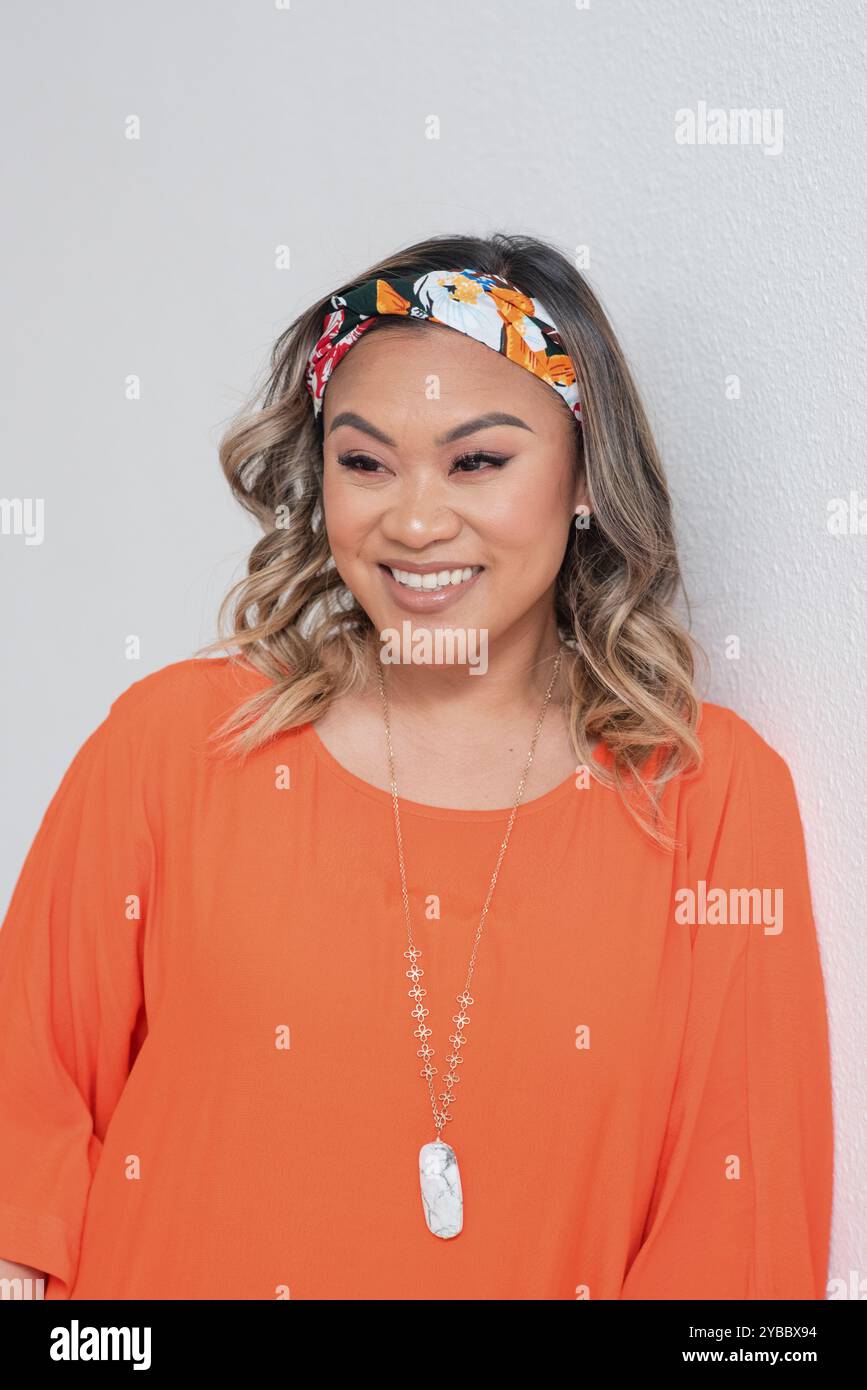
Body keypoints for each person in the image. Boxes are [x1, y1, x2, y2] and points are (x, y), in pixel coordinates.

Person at [0, 234, 833, 1299]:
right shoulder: (175, 742)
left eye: (479, 459)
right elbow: (23, 1135)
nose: (415, 519)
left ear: (584, 479)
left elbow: (742, 1246)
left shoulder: (709, 800)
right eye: (365, 462)